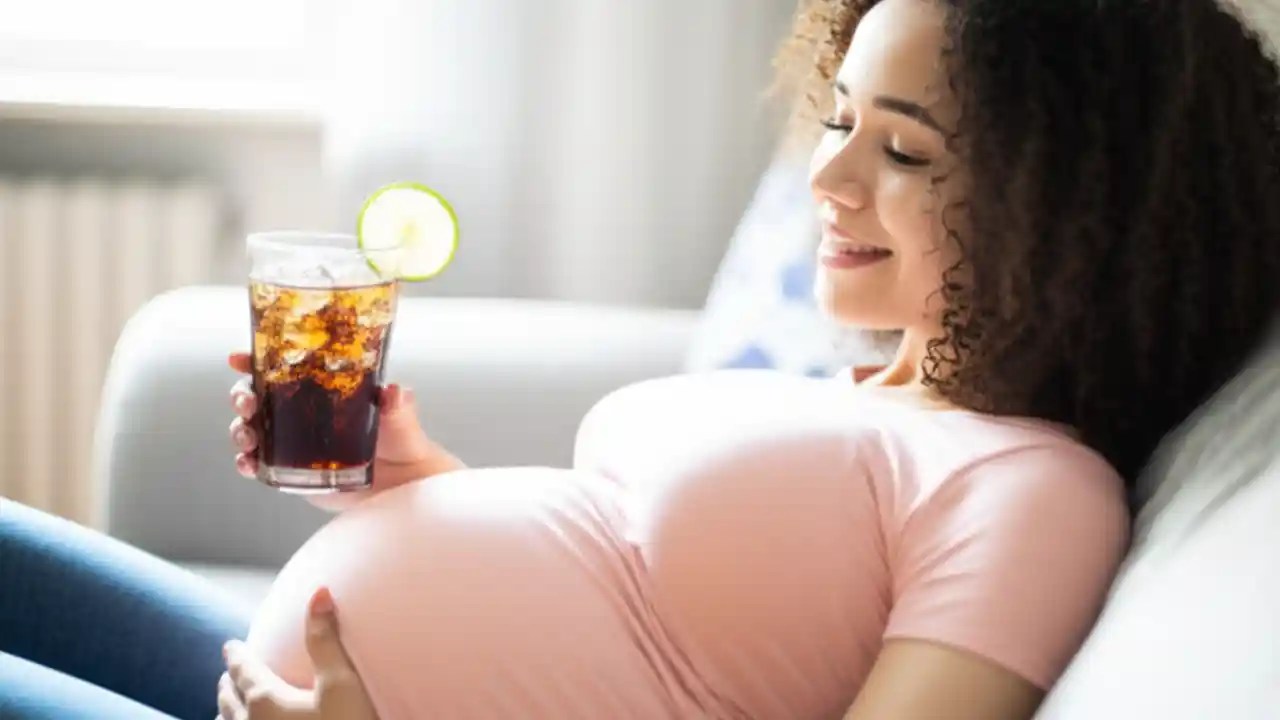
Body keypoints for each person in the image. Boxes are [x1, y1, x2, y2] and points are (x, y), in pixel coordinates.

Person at [1, 0, 1276, 718]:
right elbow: (631, 620)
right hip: (262, 676)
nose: (827, 175)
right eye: (837, 120)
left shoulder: (1032, 492)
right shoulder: (879, 404)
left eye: (901, 150)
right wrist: (417, 483)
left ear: (1073, 206)